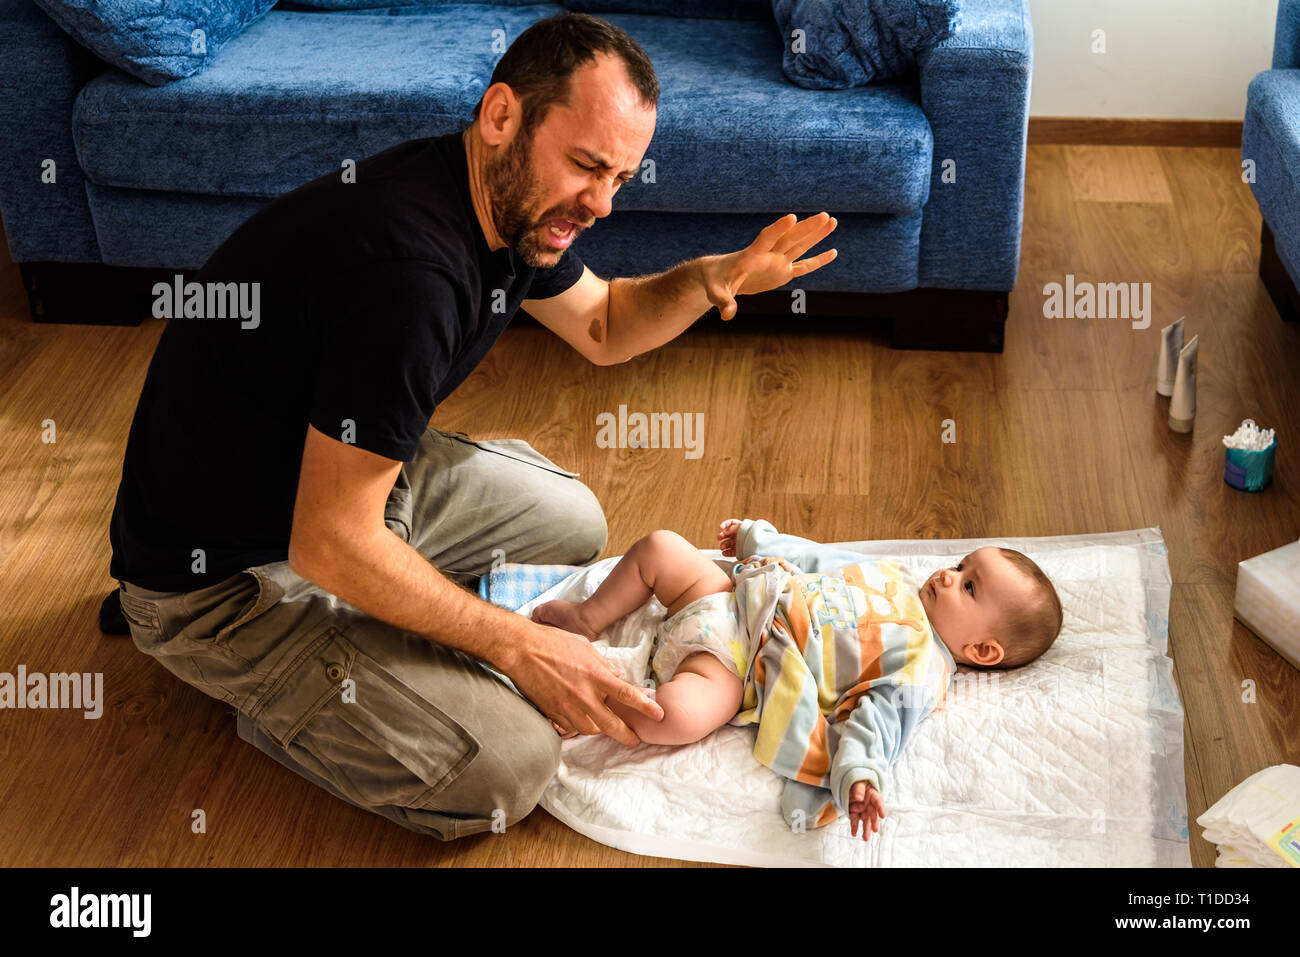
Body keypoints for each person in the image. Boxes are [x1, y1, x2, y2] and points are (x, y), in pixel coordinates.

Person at [107, 12, 839, 840]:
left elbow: (601, 323)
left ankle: (379, 610)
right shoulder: (410, 270)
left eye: (620, 178)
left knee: (574, 522)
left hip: (317, 491)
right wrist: (515, 646)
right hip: (221, 588)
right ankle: (273, 692)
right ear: (503, 116)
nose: (599, 203)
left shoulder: (508, 199)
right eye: (587, 166)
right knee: (510, 768)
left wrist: (711, 278)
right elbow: (327, 544)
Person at [531, 518, 1064, 841]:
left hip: (737, 665)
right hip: (726, 597)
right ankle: (587, 619)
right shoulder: (897, 578)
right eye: (960, 565)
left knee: (679, 715)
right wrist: (757, 539)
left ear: (982, 650)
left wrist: (859, 776)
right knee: (660, 547)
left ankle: (595, 704)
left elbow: (877, 726)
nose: (948, 575)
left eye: (969, 587)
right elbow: (821, 561)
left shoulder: (920, 670)